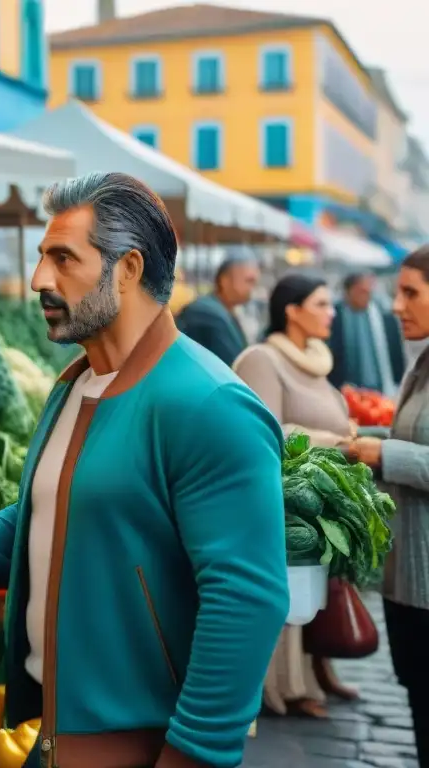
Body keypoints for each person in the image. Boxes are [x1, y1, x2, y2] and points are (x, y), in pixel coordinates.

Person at [0, 172, 289, 768]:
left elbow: (247, 598)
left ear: (128, 269)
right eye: (41, 258)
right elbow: (52, 509)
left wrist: (197, 753)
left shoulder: (210, 405)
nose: (38, 281)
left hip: (139, 745)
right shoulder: (76, 384)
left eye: (62, 259)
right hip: (55, 736)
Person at [233, 274, 359, 719]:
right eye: (322, 304)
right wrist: (334, 441)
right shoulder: (261, 360)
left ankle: (314, 671)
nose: (332, 313)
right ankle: (282, 685)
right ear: (292, 309)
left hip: (317, 503)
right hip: (278, 504)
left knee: (311, 592)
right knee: (288, 593)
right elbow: (260, 433)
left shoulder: (316, 363)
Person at [351, 247, 429, 765]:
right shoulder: (420, 360)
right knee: (419, 699)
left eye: (411, 293)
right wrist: (361, 438)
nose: (396, 305)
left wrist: (382, 452)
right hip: (410, 579)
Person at [327, 271, 405, 396]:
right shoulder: (333, 316)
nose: (367, 296)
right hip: (346, 391)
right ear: (348, 291)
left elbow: (396, 351)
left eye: (369, 292)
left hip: (381, 388)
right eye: (362, 291)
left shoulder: (384, 314)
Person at [176, 256, 259, 366]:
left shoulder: (226, 311)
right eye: (249, 281)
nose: (253, 287)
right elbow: (236, 363)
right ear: (224, 281)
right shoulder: (208, 313)